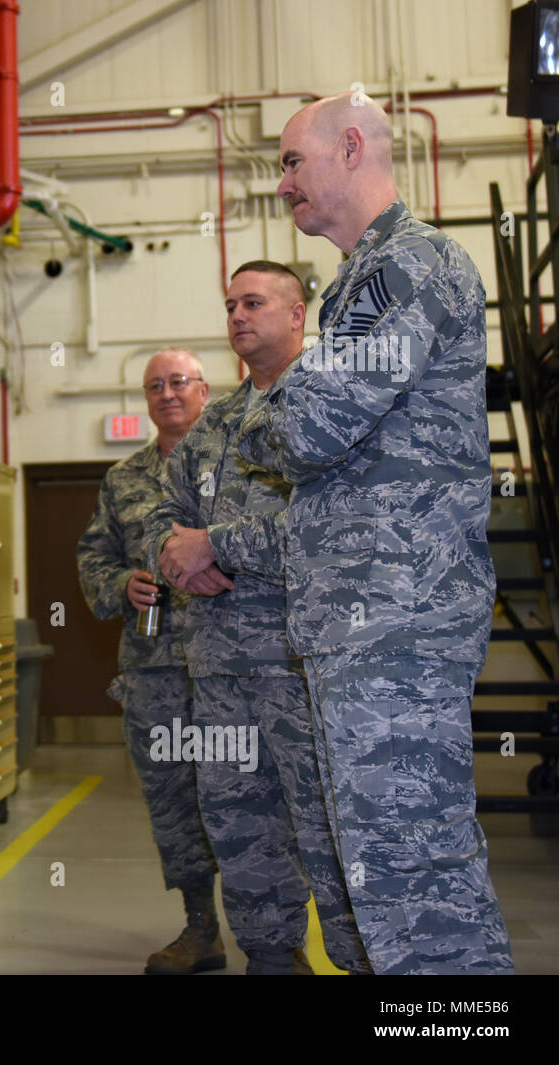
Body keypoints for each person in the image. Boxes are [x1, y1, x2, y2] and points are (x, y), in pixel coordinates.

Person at [237, 92, 513, 973]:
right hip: (359, 623)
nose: (281, 184)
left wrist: (265, 417)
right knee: (369, 873)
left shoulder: (410, 264)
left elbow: (314, 428)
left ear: (351, 147)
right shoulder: (365, 277)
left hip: (395, 618)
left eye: (291, 161)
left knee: (414, 874)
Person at [146, 262, 370, 974]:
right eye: (230, 304)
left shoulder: (332, 406)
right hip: (219, 671)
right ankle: (272, 958)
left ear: (298, 313)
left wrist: (217, 545)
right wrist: (174, 553)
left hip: (307, 666)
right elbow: (161, 514)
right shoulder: (212, 425)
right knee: (241, 825)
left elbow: (333, 529)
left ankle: (362, 964)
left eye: (254, 302)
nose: (238, 315)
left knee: (328, 828)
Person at [77, 349, 223, 975]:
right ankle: (201, 930)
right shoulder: (123, 479)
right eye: (155, 385)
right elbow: (93, 558)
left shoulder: (241, 459)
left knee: (251, 798)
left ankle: (278, 940)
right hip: (155, 669)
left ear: (204, 389)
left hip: (234, 665)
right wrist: (119, 587)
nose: (167, 393)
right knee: (173, 803)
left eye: (179, 382)